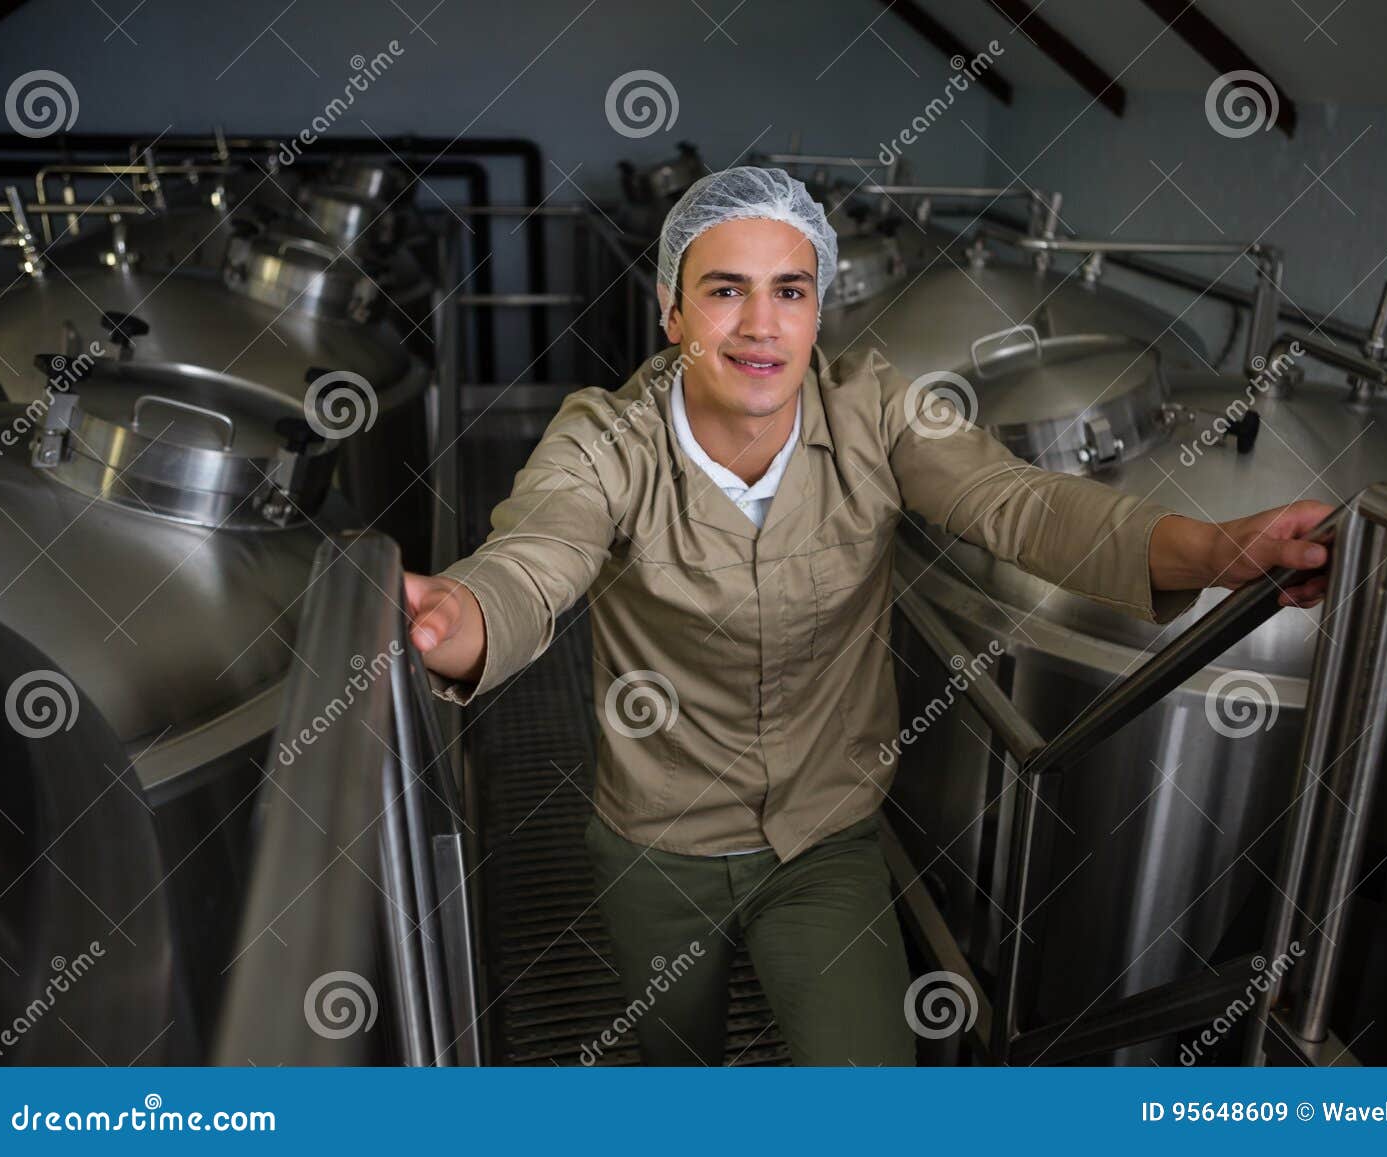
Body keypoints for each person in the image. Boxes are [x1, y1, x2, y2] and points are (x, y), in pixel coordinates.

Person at [404, 166, 1331, 1065]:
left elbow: (1025, 504)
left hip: (823, 838)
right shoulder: (608, 438)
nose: (762, 325)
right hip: (659, 841)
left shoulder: (876, 411)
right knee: (676, 1067)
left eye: (791, 290)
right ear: (672, 308)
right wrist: (466, 612)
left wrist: (1215, 551)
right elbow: (540, 553)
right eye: (726, 290)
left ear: (819, 305)